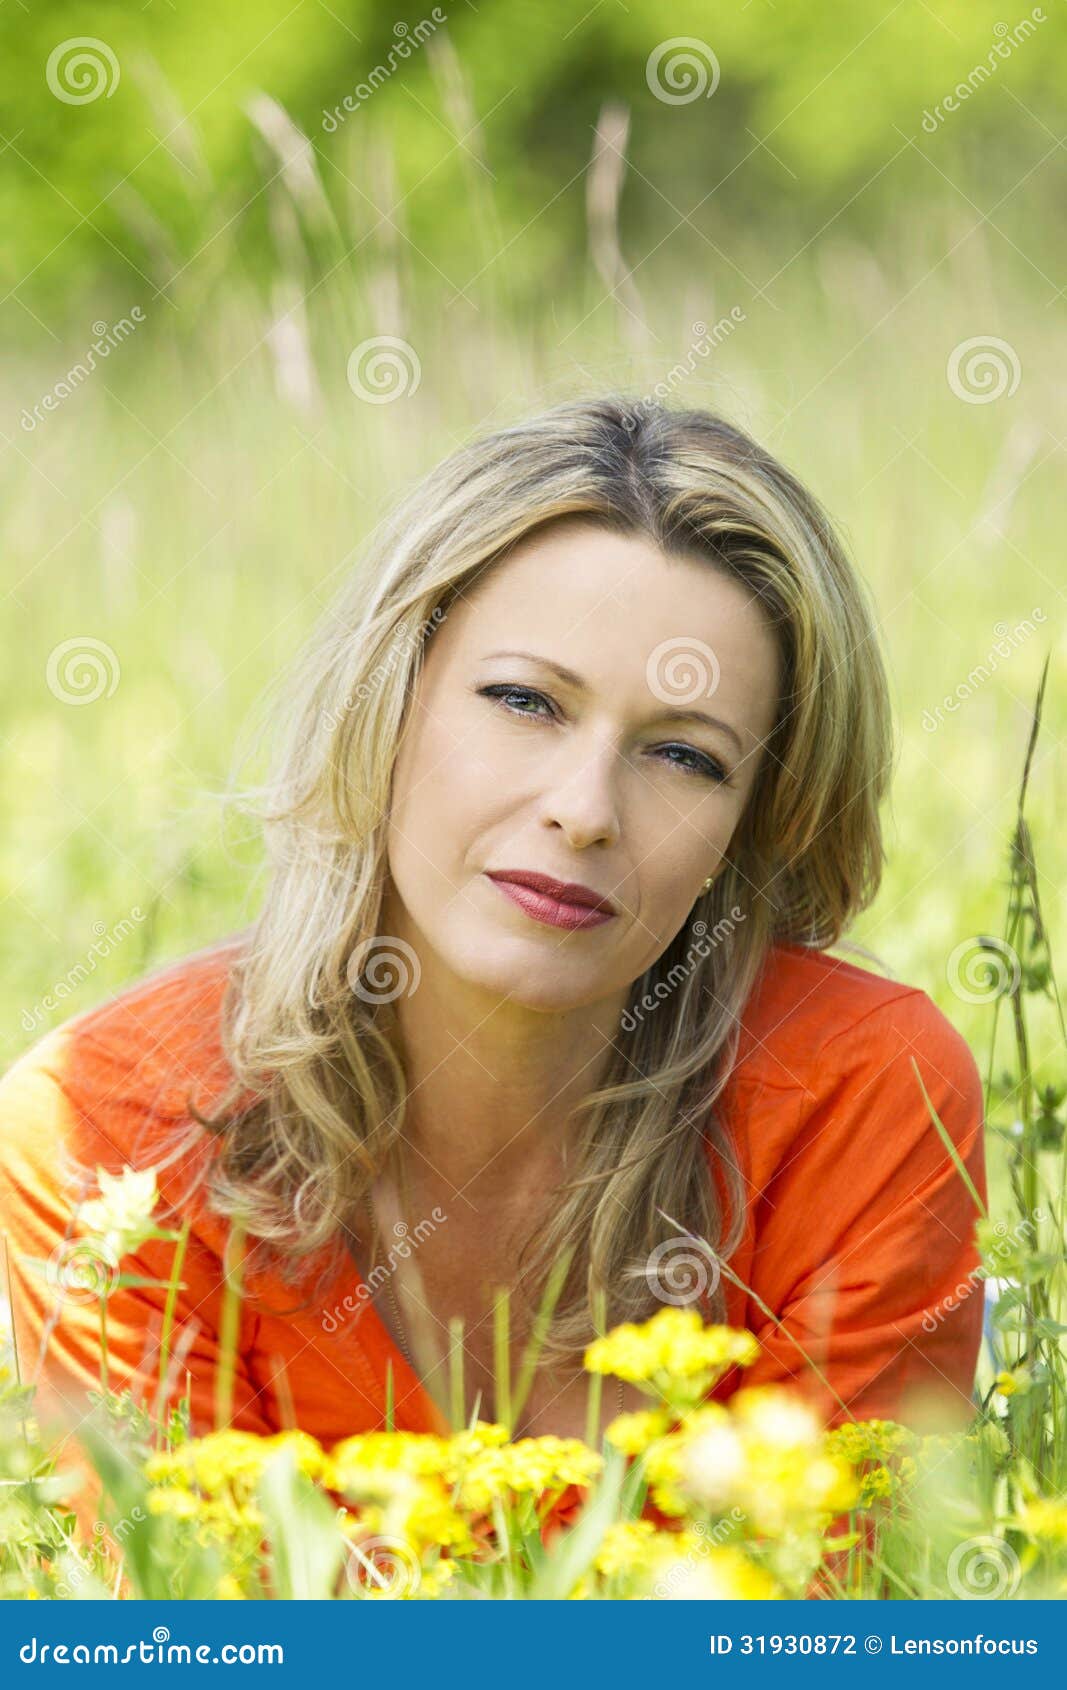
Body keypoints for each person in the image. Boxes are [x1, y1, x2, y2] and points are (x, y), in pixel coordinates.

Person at [0, 395, 986, 1542]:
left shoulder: (858, 1096)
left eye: (683, 755)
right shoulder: (104, 1132)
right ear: (390, 700)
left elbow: (830, 1640)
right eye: (523, 701)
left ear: (753, 828)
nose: (581, 812)